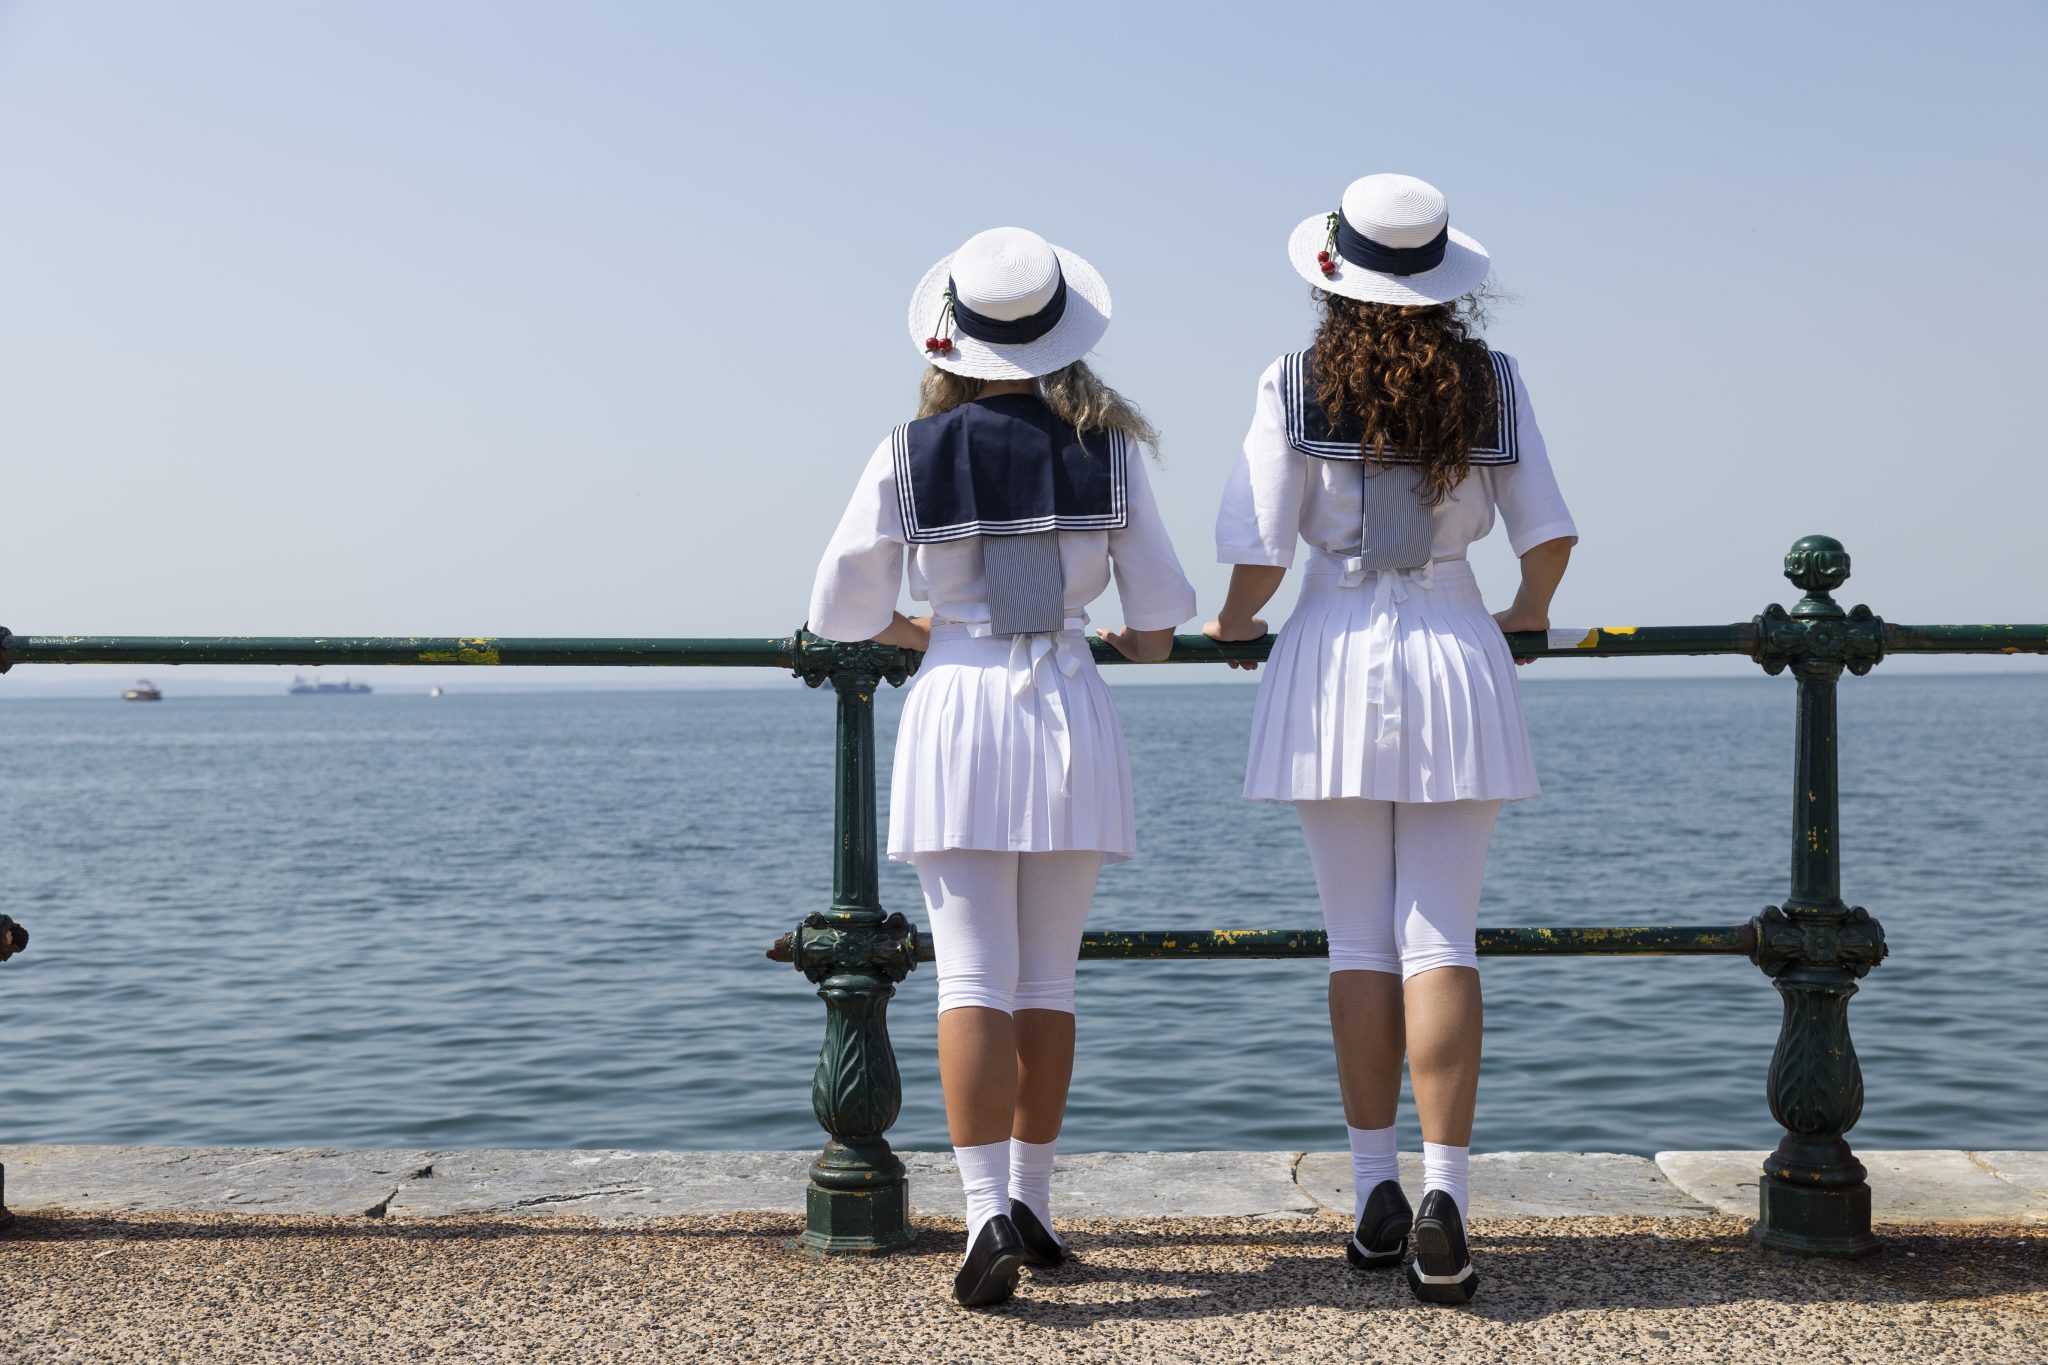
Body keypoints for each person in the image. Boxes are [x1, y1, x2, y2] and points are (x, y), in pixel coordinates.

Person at [809, 226, 1197, 1307]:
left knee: (969, 975)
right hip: (1066, 699)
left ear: (951, 337)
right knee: (1046, 981)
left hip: (959, 700)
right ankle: (1033, 1198)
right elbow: (1161, 617)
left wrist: (929, 630)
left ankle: (982, 1210)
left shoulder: (906, 452)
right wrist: (1111, 637)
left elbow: (836, 605)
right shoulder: (1107, 451)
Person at [1206, 174, 1576, 1307]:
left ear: (1333, 275)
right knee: (1441, 939)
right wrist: (1520, 615)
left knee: (1356, 944)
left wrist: (1232, 625)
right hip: (1456, 641)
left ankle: (1372, 1188)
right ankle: (1446, 1198)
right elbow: (1548, 536)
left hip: (1330, 649)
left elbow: (1263, 545)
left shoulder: (1292, 381)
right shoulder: (1492, 382)